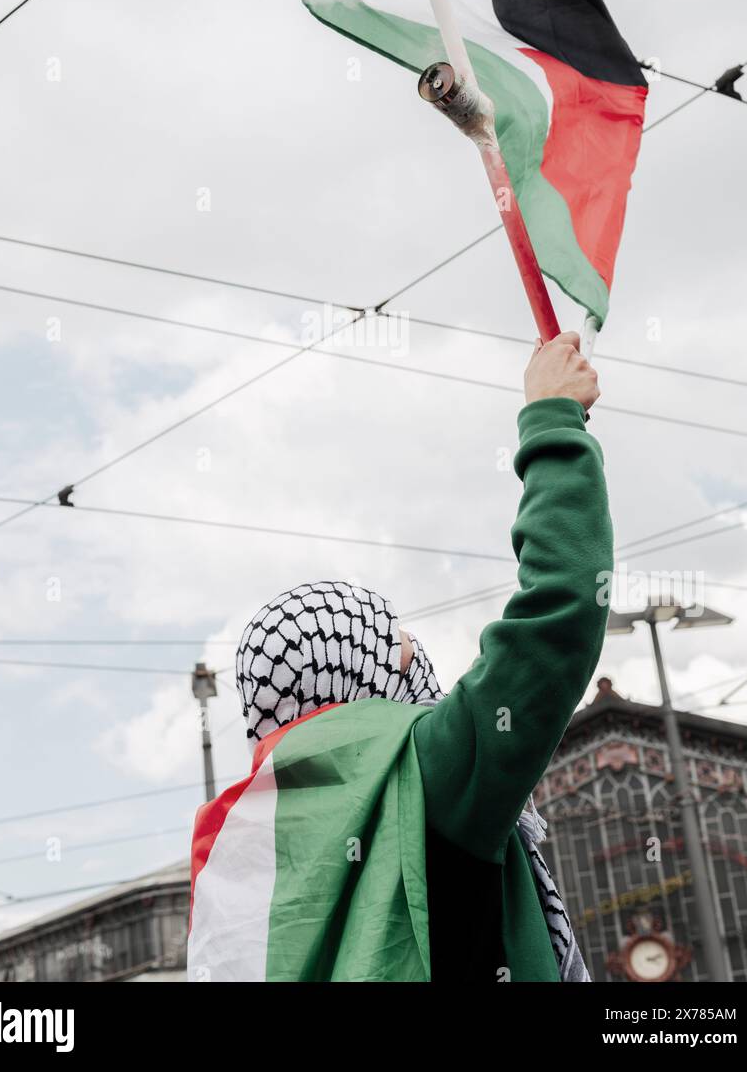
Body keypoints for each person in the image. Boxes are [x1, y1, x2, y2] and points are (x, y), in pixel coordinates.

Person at [188, 331, 611, 982]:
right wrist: (552, 417)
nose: (415, 652)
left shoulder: (233, 851)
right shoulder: (426, 774)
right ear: (357, 669)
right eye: (394, 637)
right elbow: (560, 610)